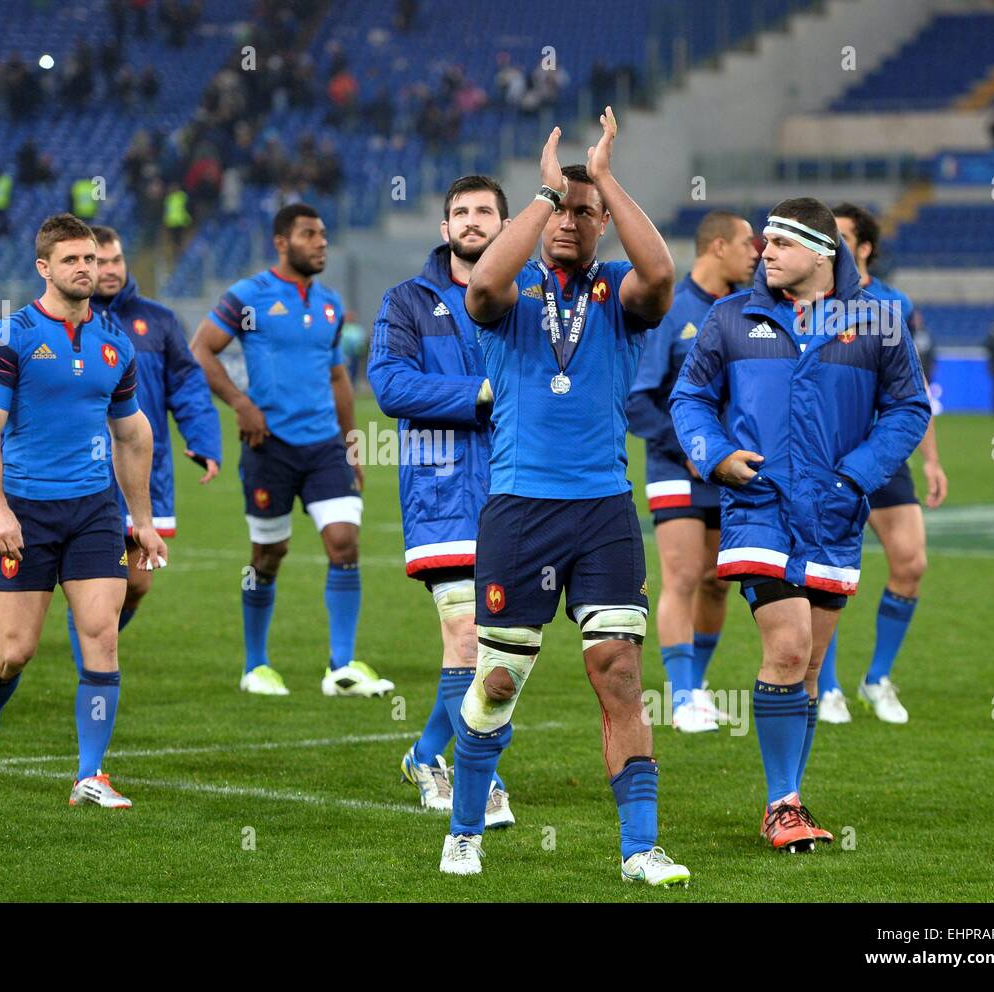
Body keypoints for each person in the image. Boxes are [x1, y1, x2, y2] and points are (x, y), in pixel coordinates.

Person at [441, 110, 689, 885]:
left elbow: (664, 278)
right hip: (520, 509)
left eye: (586, 214)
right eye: (559, 209)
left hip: (604, 511)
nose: (569, 222)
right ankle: (463, 830)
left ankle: (640, 848)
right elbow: (481, 279)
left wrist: (605, 177)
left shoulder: (618, 293)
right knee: (499, 682)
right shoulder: (510, 297)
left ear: (604, 224)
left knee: (618, 673)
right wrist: (547, 193)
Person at [670, 197, 931, 852]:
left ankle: (786, 795)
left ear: (821, 252)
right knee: (786, 649)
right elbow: (689, 397)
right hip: (757, 508)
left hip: (836, 514)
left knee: (809, 667)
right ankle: (782, 804)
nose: (767, 254)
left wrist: (856, 476)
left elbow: (909, 409)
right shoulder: (731, 318)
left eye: (781, 245)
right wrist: (714, 454)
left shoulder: (880, 321)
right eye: (764, 244)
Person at [0, 214, 167, 805]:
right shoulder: (9, 338)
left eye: (93, 260)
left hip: (93, 511)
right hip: (25, 512)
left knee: (101, 637)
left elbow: (132, 435)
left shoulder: (115, 343)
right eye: (72, 260)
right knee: (14, 652)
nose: (87, 269)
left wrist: (142, 521)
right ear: (43, 268)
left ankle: (90, 775)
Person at [191, 204, 392, 698]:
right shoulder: (248, 296)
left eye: (323, 234)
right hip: (268, 447)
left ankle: (341, 667)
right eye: (309, 234)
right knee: (268, 554)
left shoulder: (329, 304)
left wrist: (351, 444)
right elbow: (201, 349)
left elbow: (338, 376)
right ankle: (255, 665)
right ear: (282, 242)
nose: (321, 242)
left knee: (344, 542)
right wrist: (240, 404)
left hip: (324, 444)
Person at [368, 175, 513, 827]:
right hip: (444, 494)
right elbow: (391, 386)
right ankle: (482, 776)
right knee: (463, 638)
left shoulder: (531, 298)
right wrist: (482, 394)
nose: (472, 221)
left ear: (507, 227)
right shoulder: (408, 301)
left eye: (485, 212)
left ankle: (426, 752)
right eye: (461, 212)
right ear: (444, 226)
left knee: (500, 649)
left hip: (522, 493)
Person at [62, 225, 220, 668]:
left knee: (138, 582)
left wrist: (204, 439)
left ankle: (88, 635)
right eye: (99, 261)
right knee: (96, 580)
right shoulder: (64, 320)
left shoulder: (160, 320)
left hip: (143, 467)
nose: (109, 271)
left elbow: (187, 384)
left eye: (115, 261)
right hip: (82, 467)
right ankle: (91, 669)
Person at [816, 204, 949, 725]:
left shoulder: (894, 303)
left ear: (865, 246)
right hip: (827, 456)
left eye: (842, 237)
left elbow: (910, 392)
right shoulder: (808, 300)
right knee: (824, 573)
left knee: (911, 563)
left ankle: (877, 678)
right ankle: (825, 687)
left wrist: (931, 459)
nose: (831, 246)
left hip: (886, 454)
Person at [627, 210, 757, 734]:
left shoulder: (744, 312)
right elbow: (637, 398)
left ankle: (697, 688)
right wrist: (685, 447)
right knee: (681, 575)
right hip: (676, 464)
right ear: (718, 246)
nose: (758, 253)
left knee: (717, 582)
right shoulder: (670, 309)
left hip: (725, 467)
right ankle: (680, 699)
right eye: (749, 243)